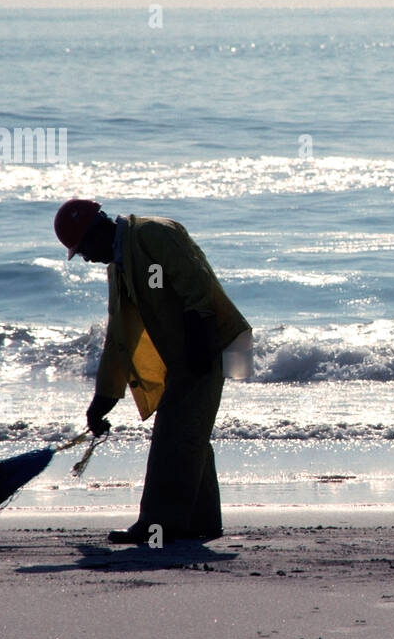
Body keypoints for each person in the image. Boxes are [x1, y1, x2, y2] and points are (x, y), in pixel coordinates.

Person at [54, 199, 252, 544]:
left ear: (98, 229)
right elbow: (119, 339)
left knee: (173, 438)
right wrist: (103, 399)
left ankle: (158, 526)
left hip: (208, 344)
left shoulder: (154, 233)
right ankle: (201, 522)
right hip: (184, 358)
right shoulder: (119, 268)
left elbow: (197, 286)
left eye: (83, 248)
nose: (84, 257)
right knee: (188, 435)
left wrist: (201, 346)